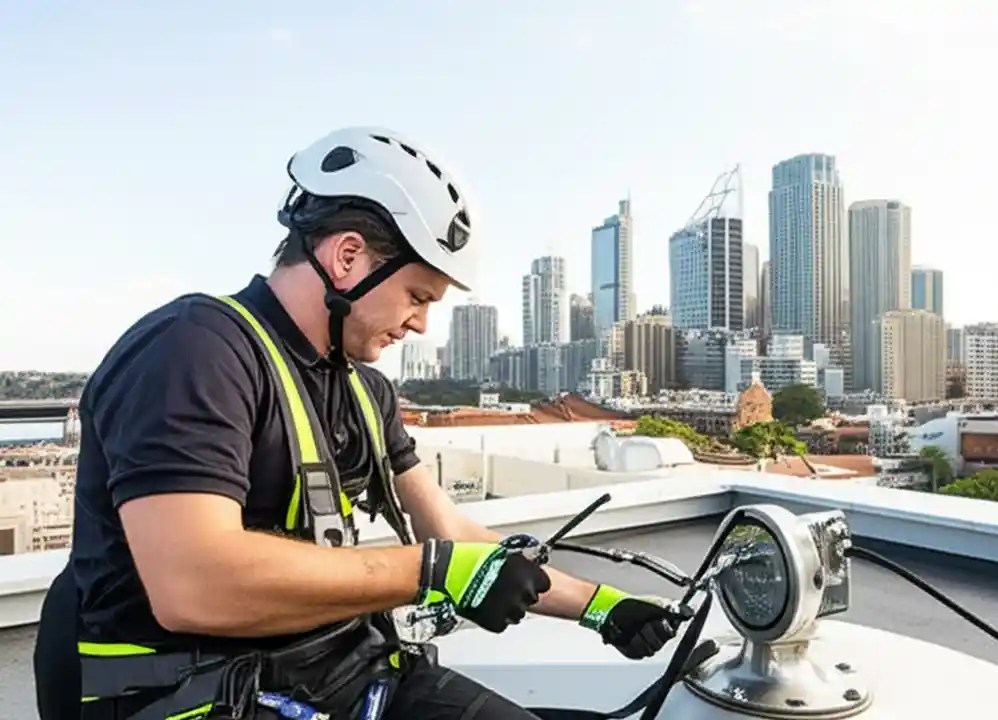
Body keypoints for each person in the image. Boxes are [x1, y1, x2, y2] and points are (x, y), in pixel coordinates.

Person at [32, 126, 682, 720]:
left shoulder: (364, 390)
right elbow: (195, 585)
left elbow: (447, 529)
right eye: (418, 296)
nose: (423, 323)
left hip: (356, 680)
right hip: (213, 699)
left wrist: (599, 606)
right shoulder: (194, 352)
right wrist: (434, 572)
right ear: (347, 258)